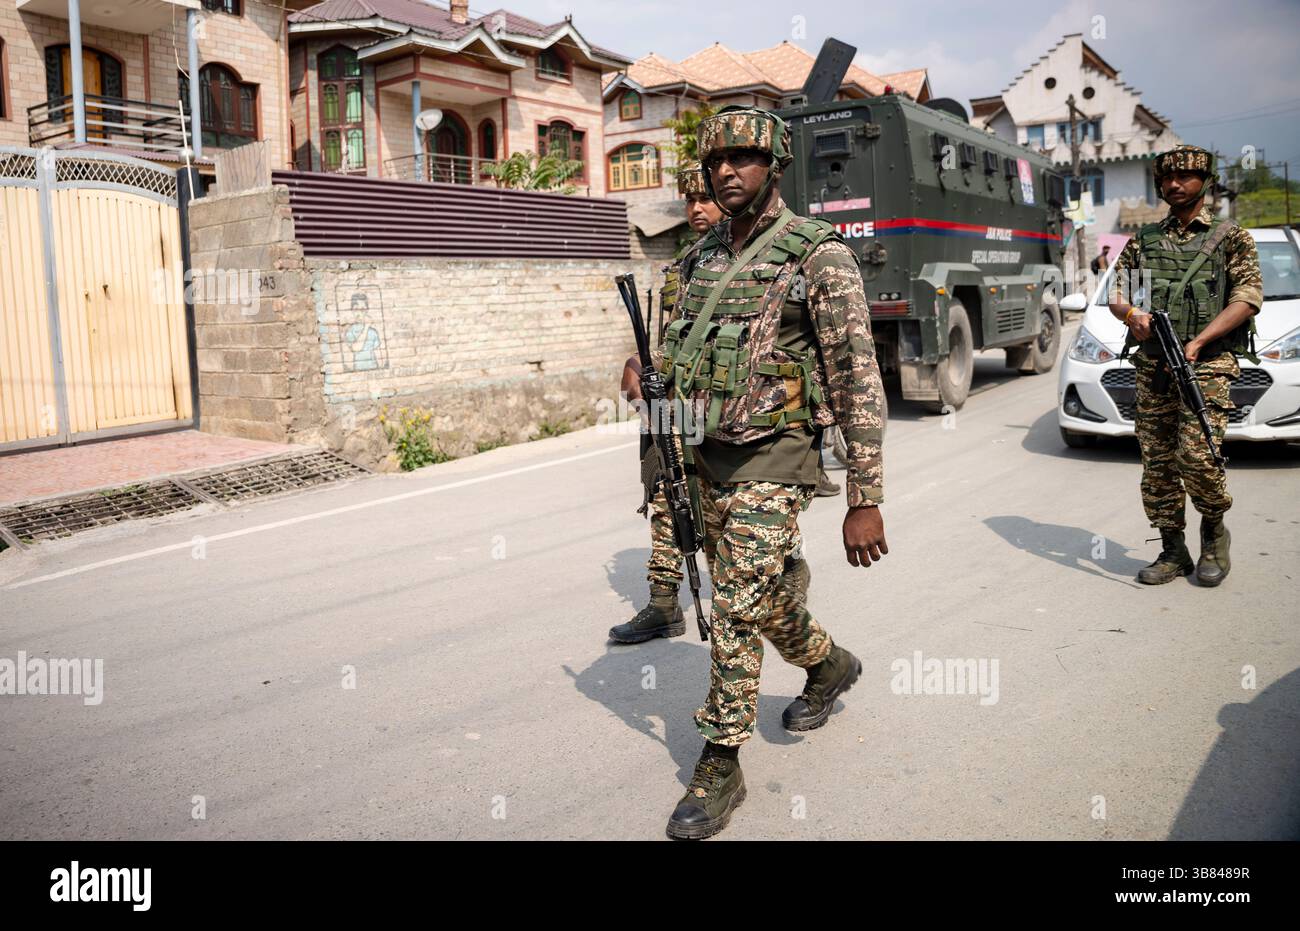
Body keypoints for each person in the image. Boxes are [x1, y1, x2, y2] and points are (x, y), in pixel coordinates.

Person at [657, 106, 887, 839]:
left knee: (732, 607)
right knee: (761, 598)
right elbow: (675, 359)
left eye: (744, 158)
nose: (726, 171)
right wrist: (659, 428)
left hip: (777, 458)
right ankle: (827, 665)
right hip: (702, 452)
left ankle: (720, 761)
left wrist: (865, 496)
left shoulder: (817, 255)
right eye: (716, 160)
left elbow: (857, 379)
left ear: (776, 166)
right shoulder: (697, 259)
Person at [611, 163, 813, 644]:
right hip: (678, 401)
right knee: (666, 495)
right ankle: (664, 603)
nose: (696, 209)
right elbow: (674, 336)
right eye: (688, 200)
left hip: (745, 412)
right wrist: (643, 364)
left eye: (704, 198)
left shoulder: (772, 253)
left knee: (743, 511)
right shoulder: (693, 258)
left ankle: (786, 580)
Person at [1106, 144, 1262, 587]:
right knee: (1157, 463)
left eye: (1185, 177)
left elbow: (1247, 298)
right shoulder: (1145, 240)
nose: (1174, 185)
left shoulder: (1232, 238)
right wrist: (1131, 315)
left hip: (1207, 365)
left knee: (1197, 455)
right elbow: (1118, 292)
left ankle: (1214, 533)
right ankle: (1172, 550)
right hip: (1154, 365)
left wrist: (1199, 341)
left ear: (1206, 181)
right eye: (1166, 179)